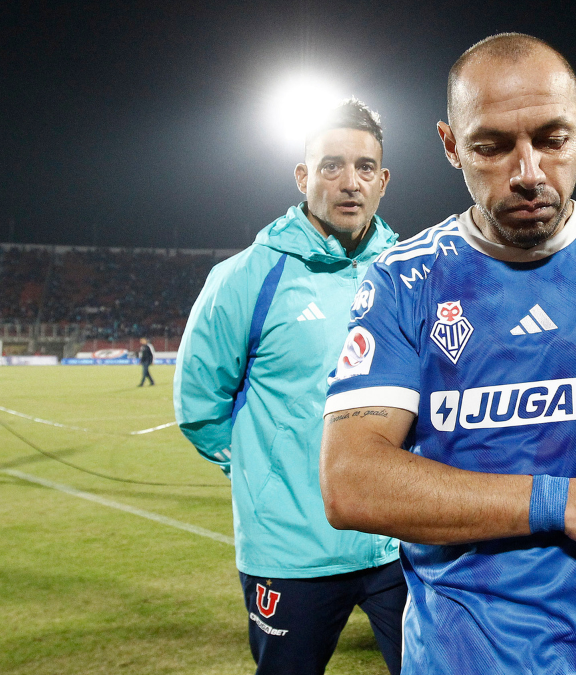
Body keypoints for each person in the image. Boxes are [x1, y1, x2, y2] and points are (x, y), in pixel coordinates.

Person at [321, 34, 576, 675]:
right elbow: (349, 481)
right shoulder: (403, 279)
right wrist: (566, 503)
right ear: (451, 144)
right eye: (492, 146)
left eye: (552, 139)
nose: (528, 172)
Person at [175, 98, 405, 675]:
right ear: (303, 177)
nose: (348, 182)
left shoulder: (408, 272)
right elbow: (199, 407)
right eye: (331, 165)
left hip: (400, 542)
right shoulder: (246, 277)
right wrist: (269, 473)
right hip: (291, 551)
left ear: (383, 181)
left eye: (364, 167)